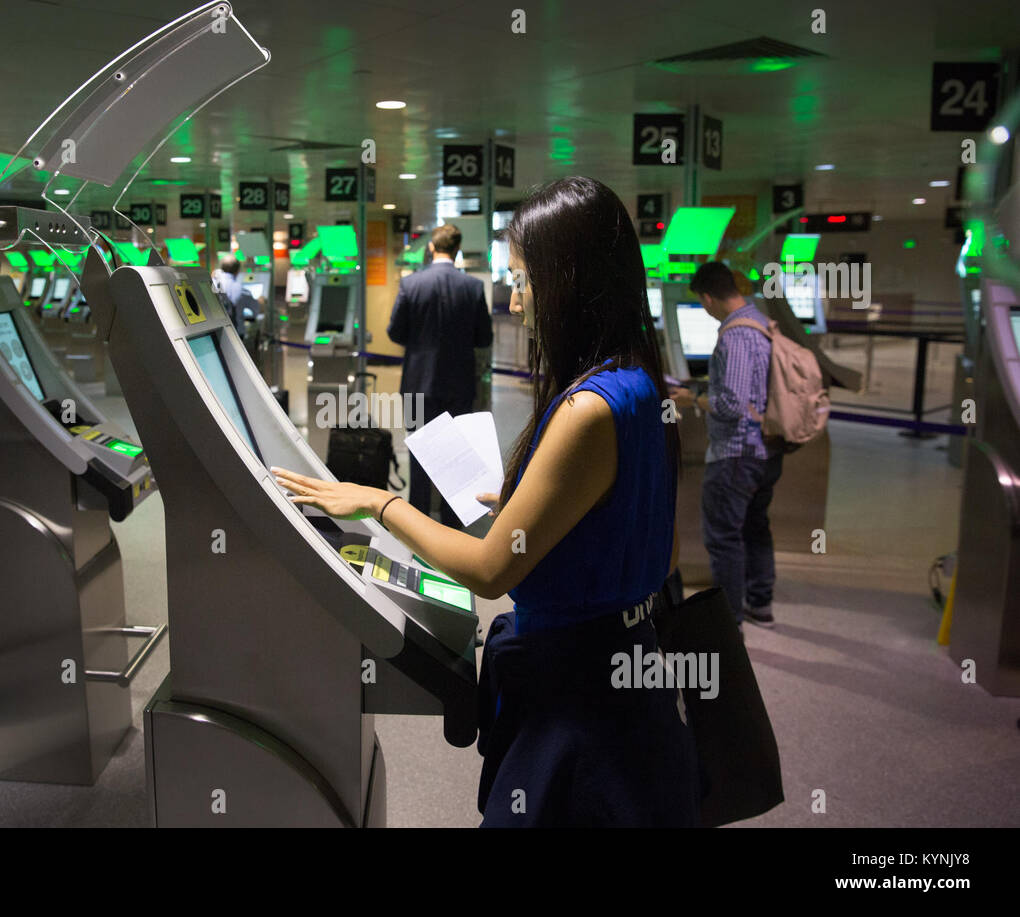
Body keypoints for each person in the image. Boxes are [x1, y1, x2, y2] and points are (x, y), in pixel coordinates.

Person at [272, 177, 699, 827]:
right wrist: (541, 504)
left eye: (524, 279)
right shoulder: (642, 382)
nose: (516, 298)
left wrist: (382, 503)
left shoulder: (587, 408)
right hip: (630, 685)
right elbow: (655, 536)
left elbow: (491, 570)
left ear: (570, 279)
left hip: (574, 703)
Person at [673, 261, 781, 630]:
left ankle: (728, 621)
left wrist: (693, 401)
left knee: (723, 537)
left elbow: (732, 404)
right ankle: (760, 604)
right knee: (755, 526)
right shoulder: (762, 323)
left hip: (735, 452)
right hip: (767, 448)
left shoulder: (734, 335)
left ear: (707, 298)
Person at [387, 224, 493, 529]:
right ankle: (452, 527)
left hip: (418, 384)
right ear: (457, 250)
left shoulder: (411, 284)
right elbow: (483, 338)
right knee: (455, 459)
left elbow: (395, 331)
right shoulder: (472, 287)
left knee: (420, 454)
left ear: (432, 248)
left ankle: (418, 524)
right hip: (459, 384)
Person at [214, 255, 259, 337]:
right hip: (236, 334)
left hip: (215, 333)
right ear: (237, 271)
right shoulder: (242, 290)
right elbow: (255, 312)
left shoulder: (212, 284)